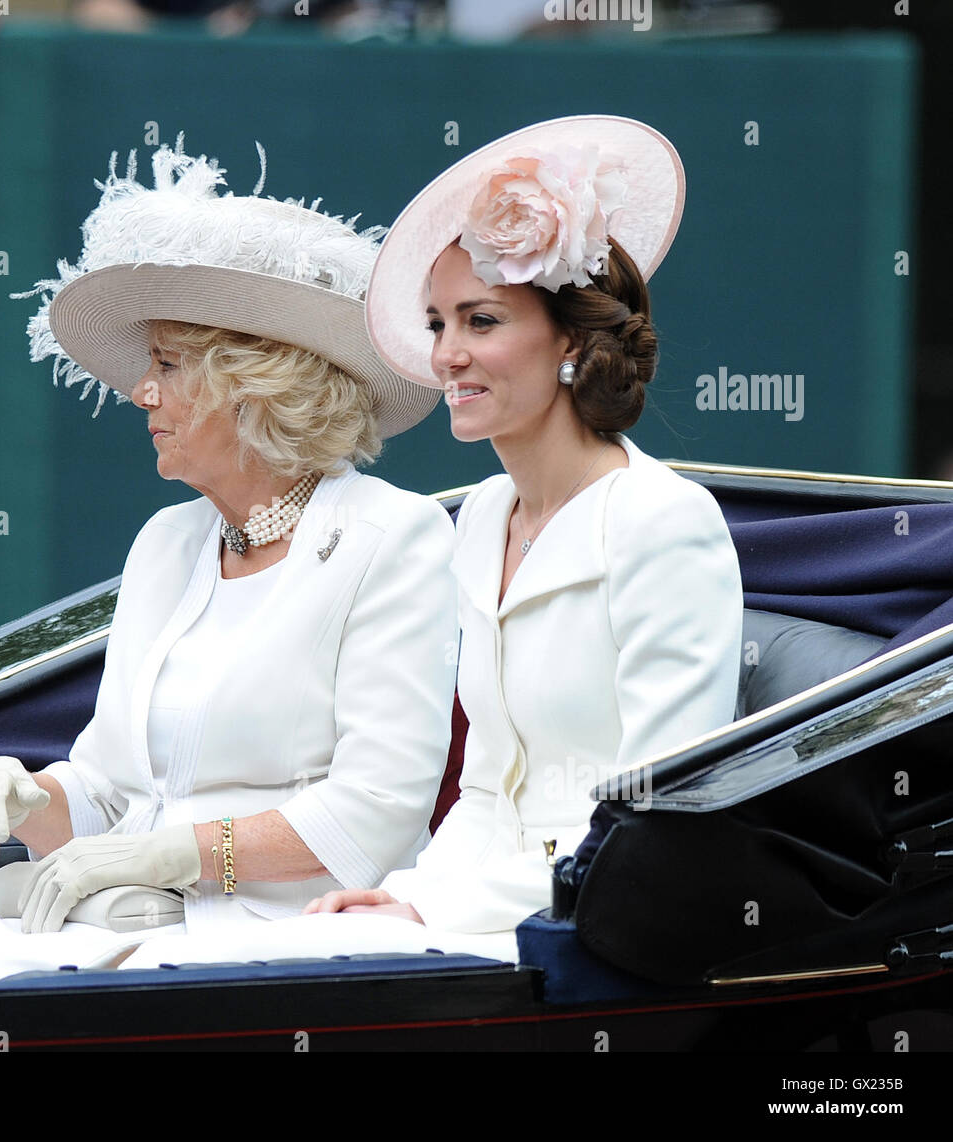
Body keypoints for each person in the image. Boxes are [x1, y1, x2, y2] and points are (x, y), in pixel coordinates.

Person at [119, 115, 744, 969]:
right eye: (437, 323)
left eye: (480, 321)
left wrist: (433, 911)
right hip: (476, 921)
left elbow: (647, 816)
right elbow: (487, 787)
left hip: (596, 936)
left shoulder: (663, 522)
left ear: (570, 341)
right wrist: (408, 897)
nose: (447, 354)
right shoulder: (484, 515)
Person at [0, 136, 455, 986]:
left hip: (295, 936)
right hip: (126, 918)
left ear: (256, 385)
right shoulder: (168, 542)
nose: (142, 392)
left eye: (168, 365)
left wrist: (175, 857)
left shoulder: (395, 537)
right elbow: (107, 791)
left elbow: (376, 814)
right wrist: (31, 797)